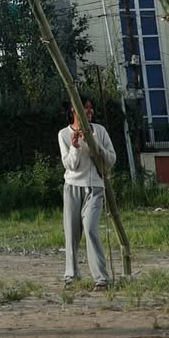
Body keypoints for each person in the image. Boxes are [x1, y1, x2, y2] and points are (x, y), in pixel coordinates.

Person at [59, 98, 115, 289]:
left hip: (95, 187)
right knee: (72, 233)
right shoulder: (64, 134)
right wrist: (75, 147)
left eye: (91, 107)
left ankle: (101, 279)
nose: (89, 111)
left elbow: (111, 159)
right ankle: (71, 276)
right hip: (72, 187)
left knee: (90, 229)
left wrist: (95, 144)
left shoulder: (99, 130)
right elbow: (69, 165)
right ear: (75, 109)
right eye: (86, 107)